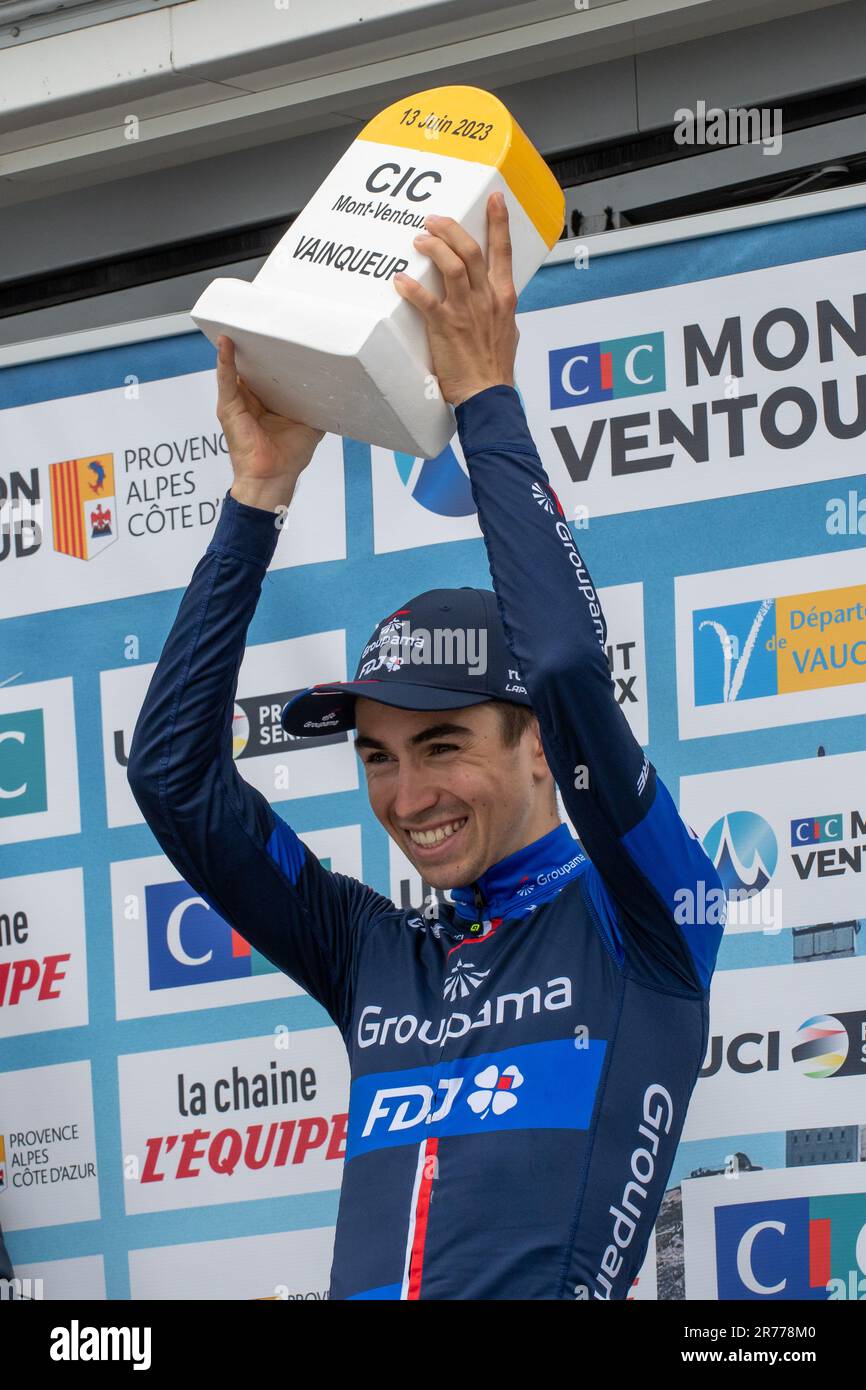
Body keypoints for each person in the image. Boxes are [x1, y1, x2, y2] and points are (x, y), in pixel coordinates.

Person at [127, 193, 725, 1301]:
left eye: (440, 744)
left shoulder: (647, 914)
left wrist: (484, 398)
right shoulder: (373, 952)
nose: (405, 796)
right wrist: (259, 493)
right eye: (375, 756)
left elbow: (558, 661)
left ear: (541, 746)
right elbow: (171, 773)